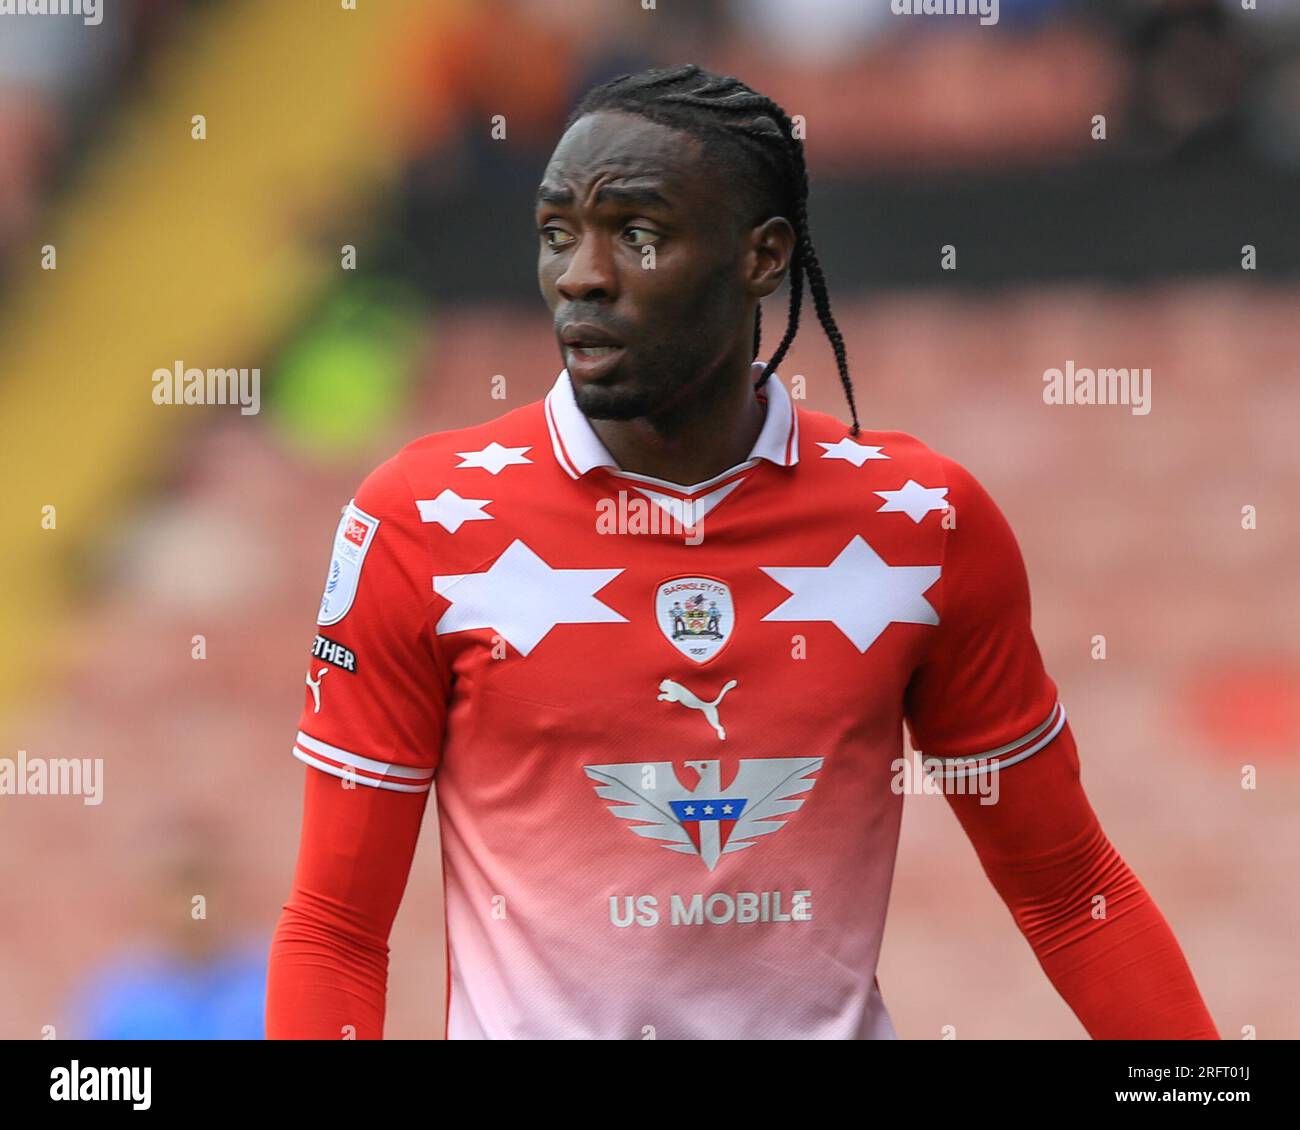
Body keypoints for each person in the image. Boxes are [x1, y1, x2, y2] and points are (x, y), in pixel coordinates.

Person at [266, 64, 1218, 1040]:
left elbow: (1069, 893)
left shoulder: (920, 522)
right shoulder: (422, 520)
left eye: (636, 233)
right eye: (557, 233)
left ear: (762, 257)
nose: (581, 275)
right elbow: (336, 926)